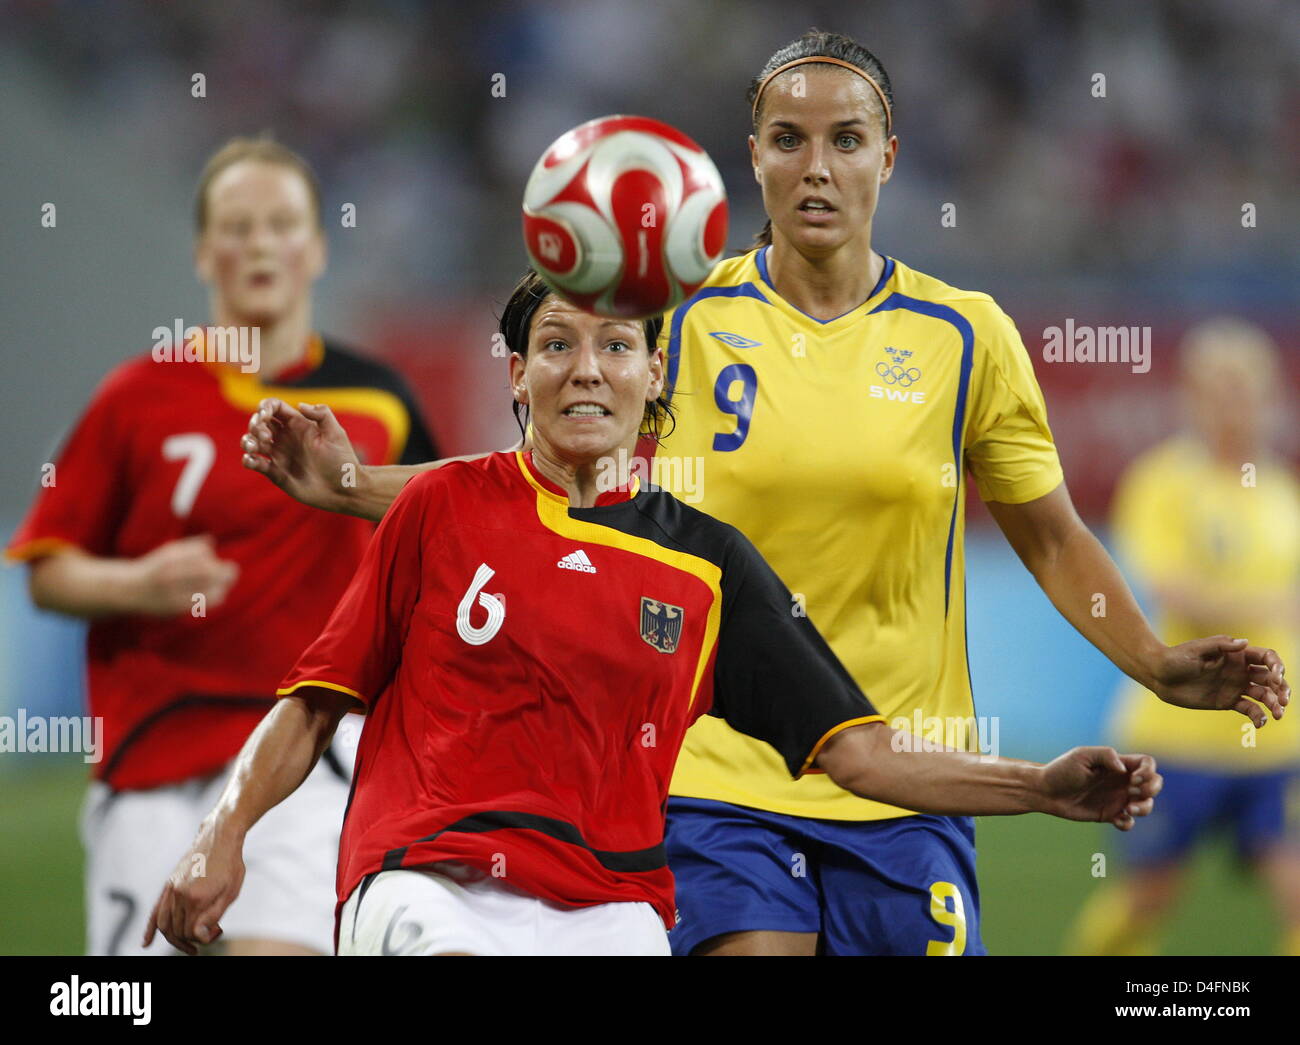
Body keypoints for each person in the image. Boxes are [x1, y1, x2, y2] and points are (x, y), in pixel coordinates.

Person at [239, 31, 1288, 957]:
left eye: (845, 138)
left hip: (909, 773)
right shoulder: (685, 327)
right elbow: (537, 486)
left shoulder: (966, 337)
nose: (816, 167)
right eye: (788, 139)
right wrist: (348, 483)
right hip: (719, 773)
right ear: (750, 160)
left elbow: (1053, 541)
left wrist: (1153, 663)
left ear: (889, 153)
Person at [147, 272, 1163, 957]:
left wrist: (1037, 783)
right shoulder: (437, 508)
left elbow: (858, 755)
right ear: (516, 375)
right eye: (554, 344)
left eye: (615, 345)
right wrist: (221, 833)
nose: (585, 367)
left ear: (654, 375)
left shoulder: (707, 566)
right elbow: (313, 704)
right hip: (429, 883)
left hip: (612, 912)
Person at [6, 135, 439, 956]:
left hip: (309, 747)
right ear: (205, 251)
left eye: (282, 223)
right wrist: (139, 582)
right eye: (237, 226)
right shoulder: (137, 396)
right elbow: (47, 571)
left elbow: (439, 539)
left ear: (315, 246)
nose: (260, 243)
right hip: (154, 755)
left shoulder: (379, 402)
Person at [1067, 318, 1300, 956]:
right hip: (1180, 732)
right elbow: (1170, 588)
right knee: (1149, 897)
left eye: (1250, 389)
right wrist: (1271, 604)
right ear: (1193, 397)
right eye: (1221, 388)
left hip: (1273, 740)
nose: (1238, 404)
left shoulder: (1281, 492)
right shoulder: (1165, 481)